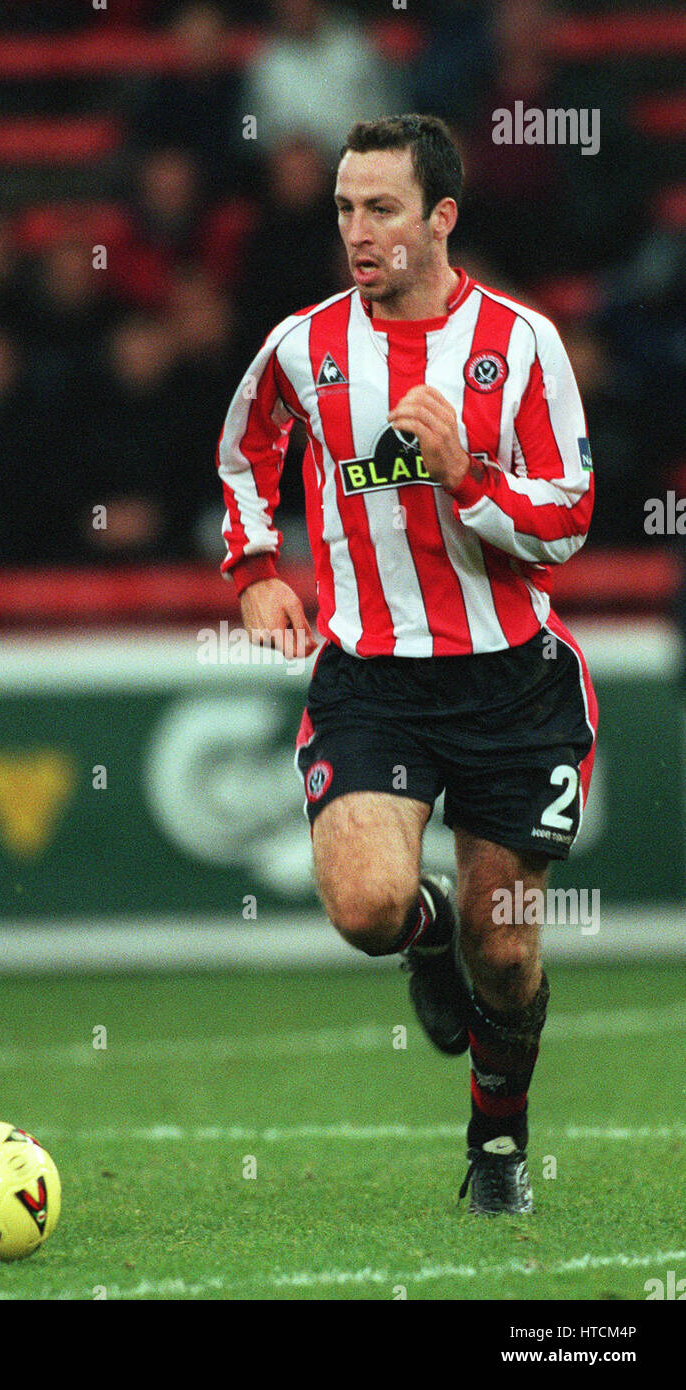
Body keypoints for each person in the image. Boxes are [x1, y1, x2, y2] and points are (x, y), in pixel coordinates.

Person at [216, 114, 597, 1215]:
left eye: (379, 207)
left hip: (510, 683)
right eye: (342, 207)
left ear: (439, 216)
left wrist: (465, 477)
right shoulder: (302, 346)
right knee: (368, 908)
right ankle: (420, 935)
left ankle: (496, 1142)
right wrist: (252, 569)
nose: (356, 230)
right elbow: (248, 447)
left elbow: (565, 516)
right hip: (371, 678)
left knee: (508, 951)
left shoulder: (520, 342)